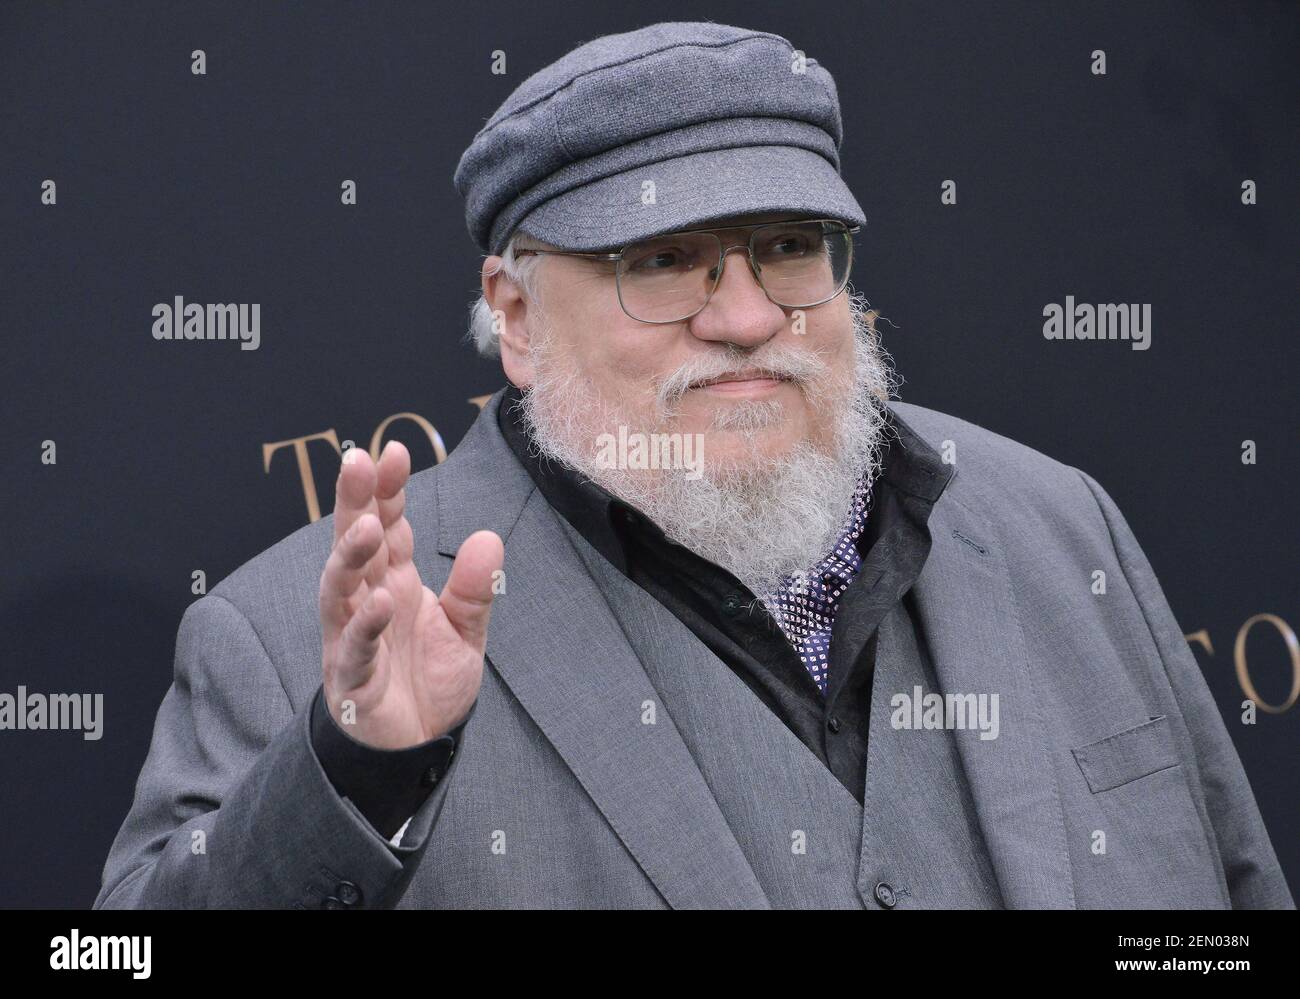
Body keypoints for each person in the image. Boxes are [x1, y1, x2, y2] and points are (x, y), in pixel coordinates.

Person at [95, 21, 1292, 909]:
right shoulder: (285, 642)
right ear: (514, 316)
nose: (745, 315)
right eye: (665, 261)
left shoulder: (1056, 527)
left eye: (785, 248)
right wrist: (354, 773)